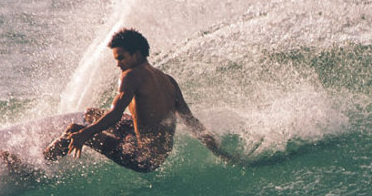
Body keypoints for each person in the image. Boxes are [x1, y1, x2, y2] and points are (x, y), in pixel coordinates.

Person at [43, 28, 235, 172]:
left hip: (142, 157)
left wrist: (85, 133)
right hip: (157, 154)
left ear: (136, 54)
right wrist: (222, 153)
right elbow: (191, 121)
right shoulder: (168, 80)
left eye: (121, 58)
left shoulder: (131, 76)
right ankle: (74, 143)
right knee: (90, 114)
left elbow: (116, 114)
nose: (118, 64)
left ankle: (37, 165)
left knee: (74, 130)